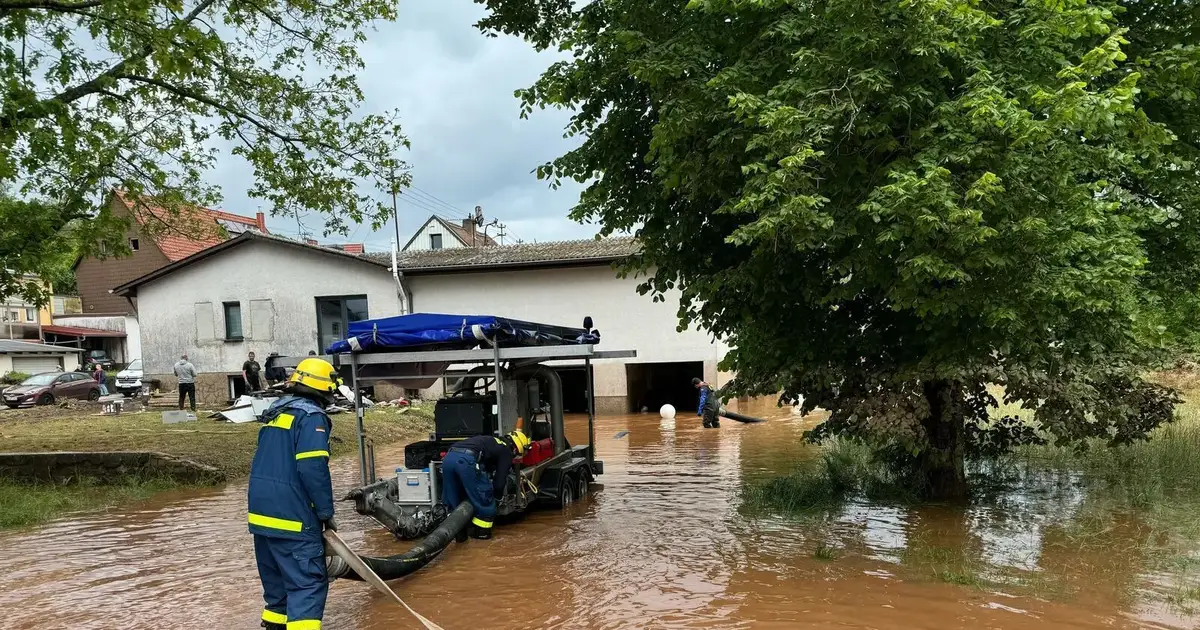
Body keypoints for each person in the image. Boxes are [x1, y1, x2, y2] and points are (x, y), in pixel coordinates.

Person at [248, 357, 340, 630]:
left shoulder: (277, 414)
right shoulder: (311, 418)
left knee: (278, 592)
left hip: (262, 517)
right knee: (307, 586)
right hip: (294, 518)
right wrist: (326, 513)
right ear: (324, 390)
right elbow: (313, 469)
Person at [441, 428, 530, 540]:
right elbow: (499, 481)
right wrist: (496, 498)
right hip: (465, 461)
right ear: (517, 448)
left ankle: (460, 538)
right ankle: (481, 536)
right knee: (485, 501)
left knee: (454, 500)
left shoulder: (491, 441)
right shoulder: (506, 451)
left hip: (448, 459)